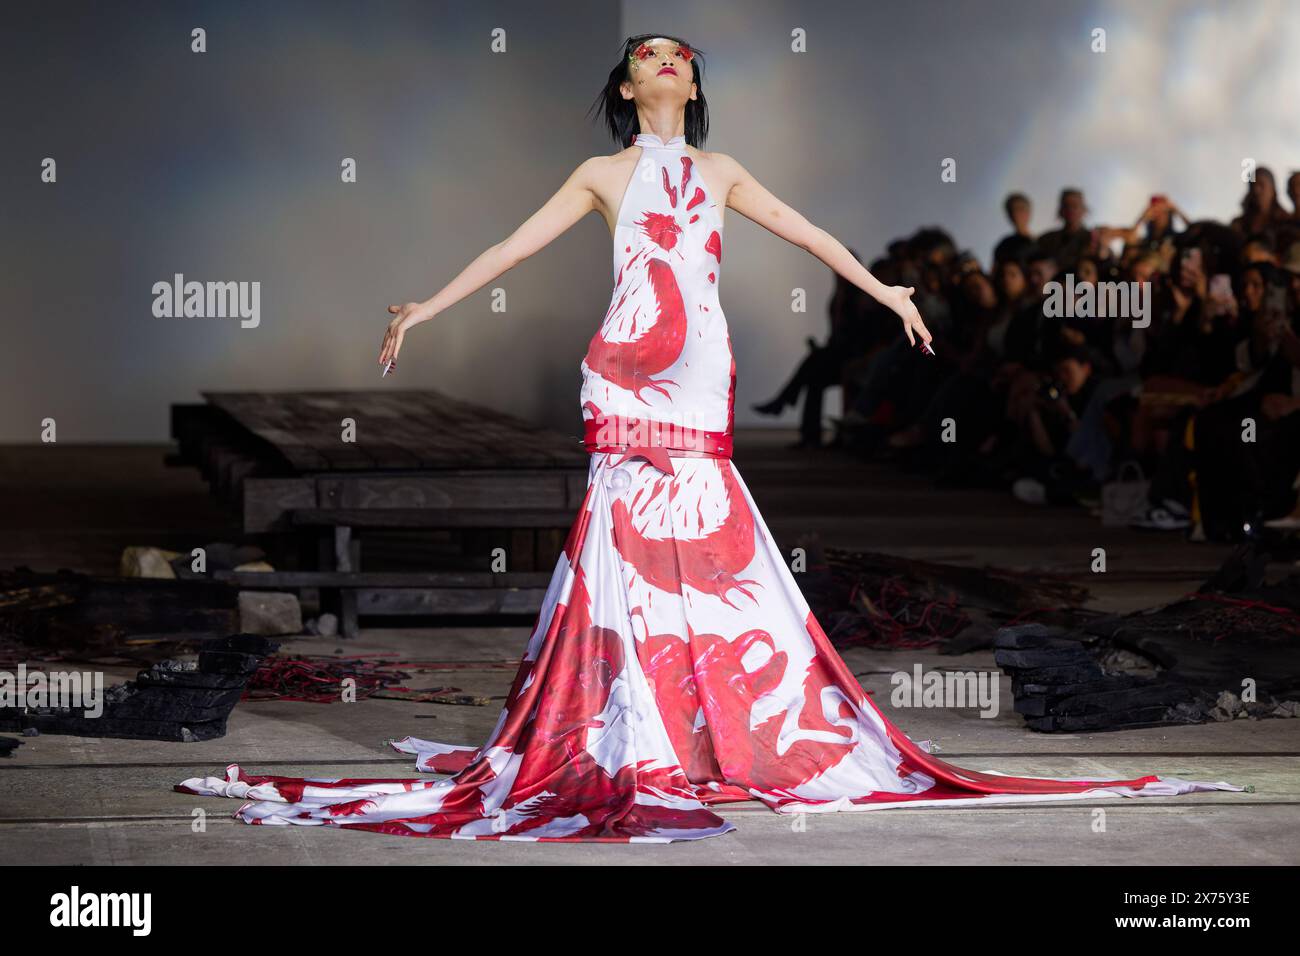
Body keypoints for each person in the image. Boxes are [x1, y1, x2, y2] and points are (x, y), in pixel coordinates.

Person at [178, 34, 1238, 842]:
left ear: (691, 85)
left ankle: (719, 726)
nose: (666, 63)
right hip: (627, 365)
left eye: (680, 58)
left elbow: (807, 229)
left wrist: (880, 284)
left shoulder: (721, 168)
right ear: (630, 86)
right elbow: (511, 244)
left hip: (700, 372)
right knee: (618, 543)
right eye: (648, 56)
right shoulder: (602, 176)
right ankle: (620, 723)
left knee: (716, 546)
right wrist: (427, 303)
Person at [1036, 188, 1094, 272]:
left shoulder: (1092, 239)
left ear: (1083, 210)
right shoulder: (1046, 240)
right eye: (1066, 206)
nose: (1070, 210)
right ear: (1061, 210)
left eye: (1074, 206)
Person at [992, 192, 1034, 266]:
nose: (1016, 214)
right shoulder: (1004, 245)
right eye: (1012, 210)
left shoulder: (1042, 242)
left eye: (1020, 209)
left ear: (1029, 212)